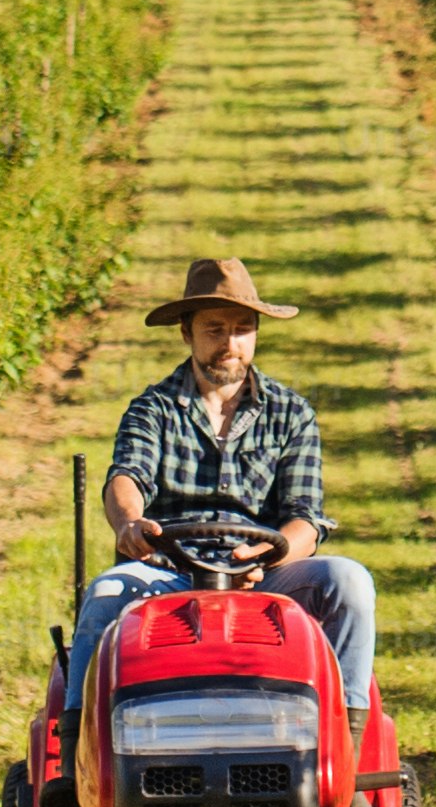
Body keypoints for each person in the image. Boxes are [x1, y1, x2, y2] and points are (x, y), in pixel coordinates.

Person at [70, 255, 376, 718]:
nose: (229, 344)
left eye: (241, 329)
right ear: (187, 333)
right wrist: (131, 523)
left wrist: (273, 554)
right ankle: (78, 751)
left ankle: (345, 739)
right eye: (214, 329)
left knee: (349, 581)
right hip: (169, 567)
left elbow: (305, 517)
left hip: (266, 570)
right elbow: (127, 476)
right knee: (106, 593)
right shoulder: (154, 408)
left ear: (255, 332)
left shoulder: (291, 413)